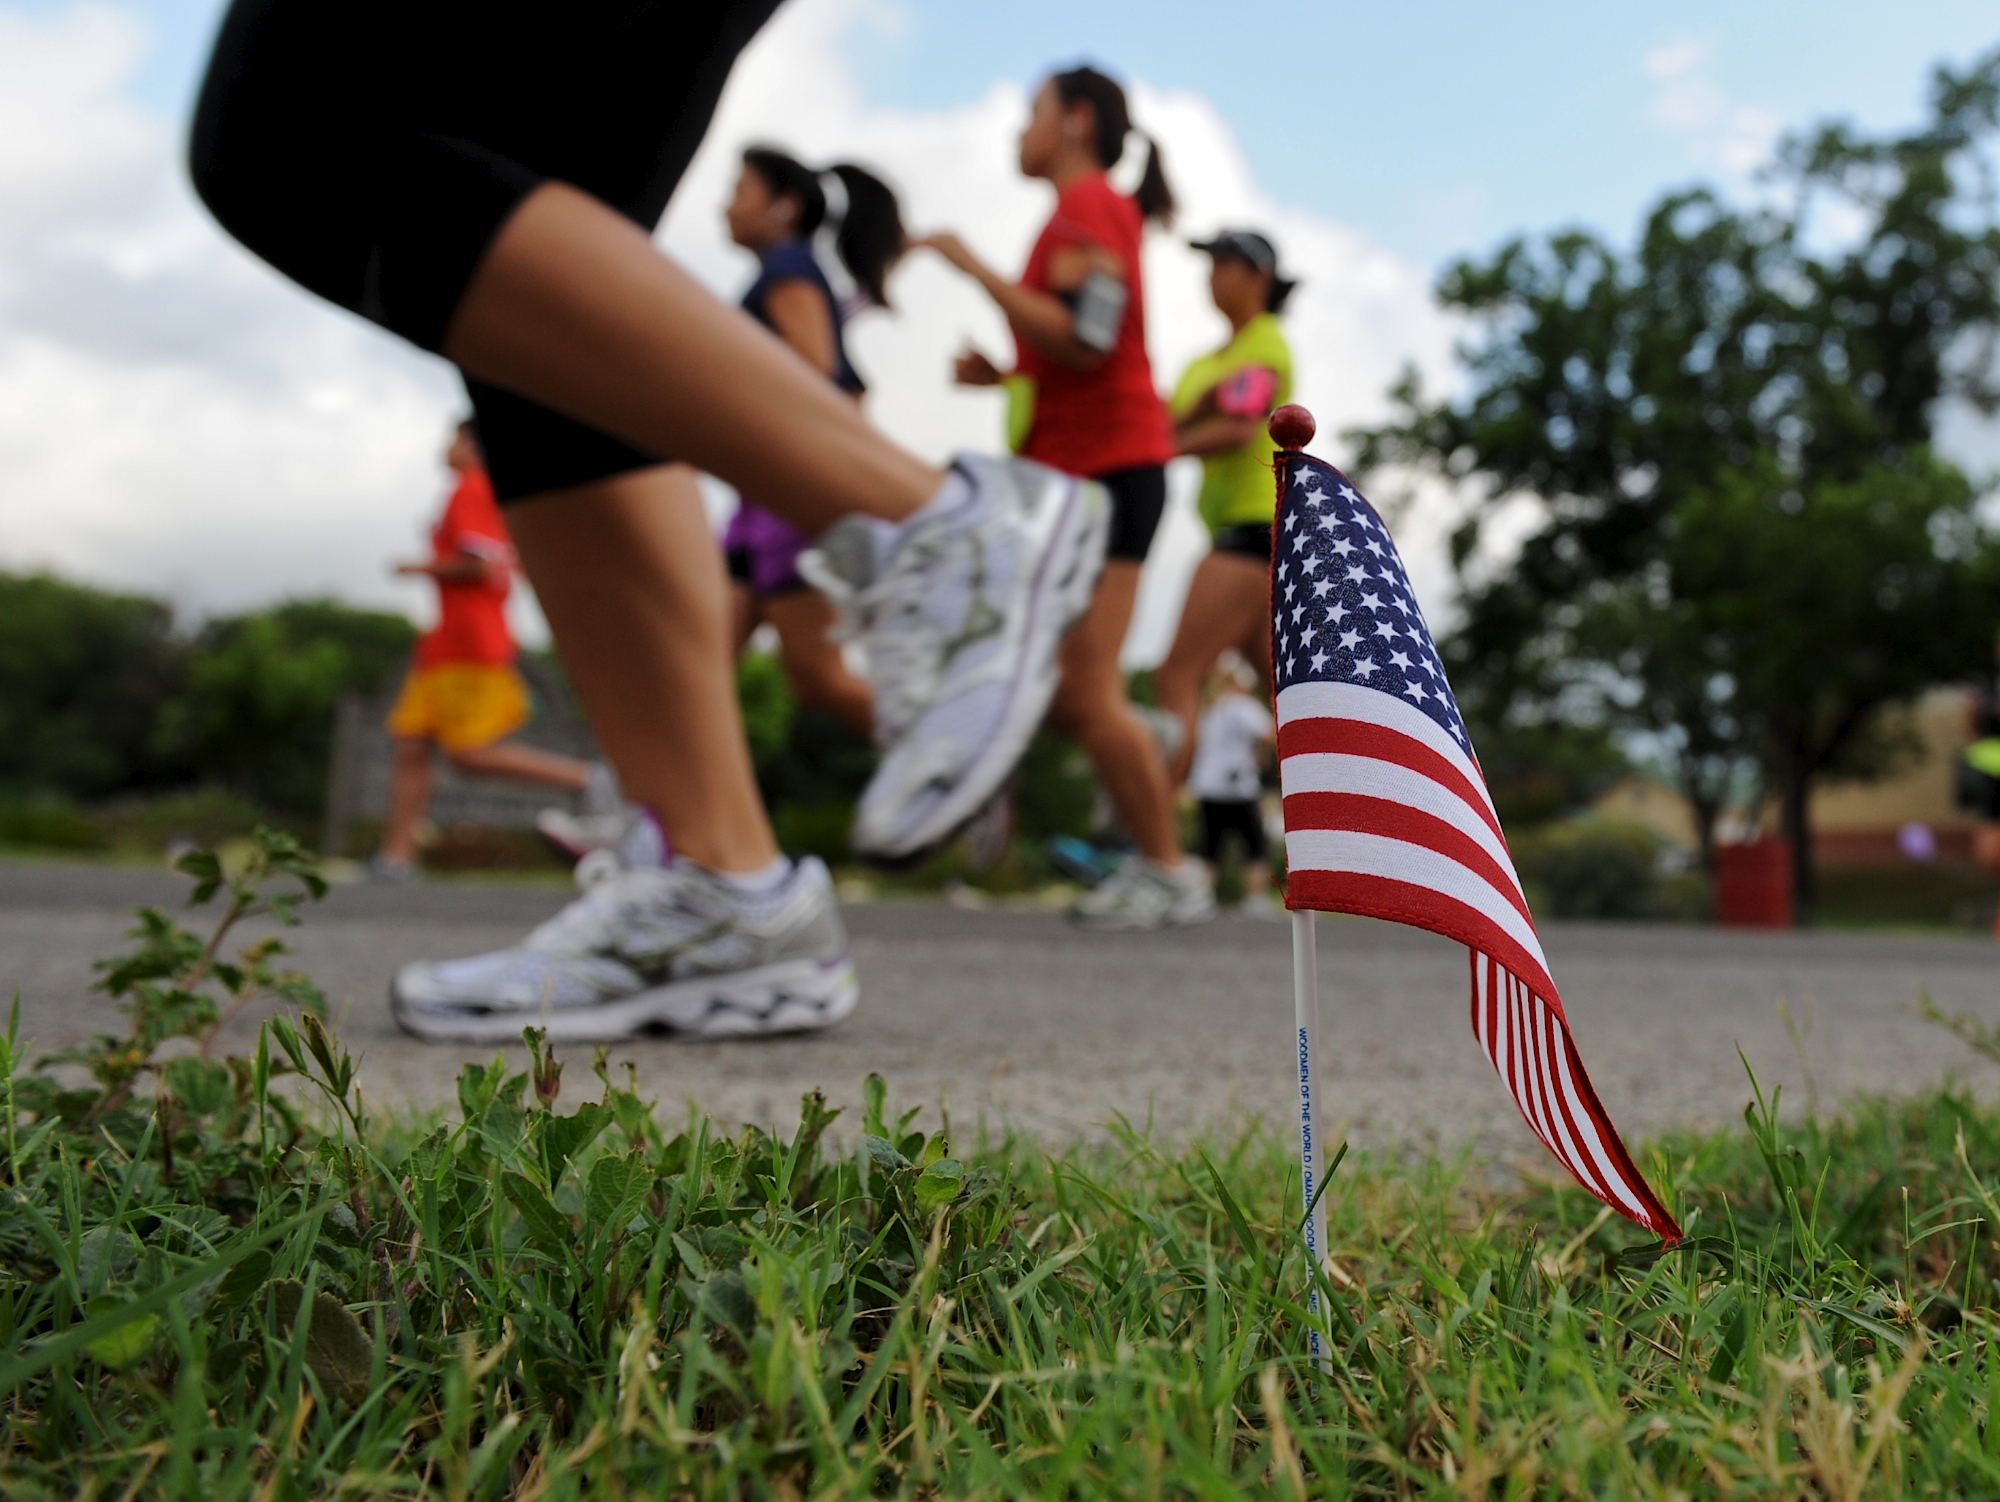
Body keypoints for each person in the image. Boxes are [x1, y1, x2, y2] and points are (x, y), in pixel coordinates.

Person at [188, 0, 1110, 1042]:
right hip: (774, 488)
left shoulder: (803, 276)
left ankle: (936, 527)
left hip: (805, 496)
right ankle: (717, 880)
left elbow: (827, 367)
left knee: (291, 139)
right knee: (532, 311)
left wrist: (819, 477)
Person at [915, 64, 1214, 930]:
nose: (1020, 132)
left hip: (1113, 473)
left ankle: (1167, 865)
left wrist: (973, 265)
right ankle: (1139, 813)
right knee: (1055, 677)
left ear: (1076, 121)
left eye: (1032, 114)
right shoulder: (1081, 214)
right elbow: (1077, 352)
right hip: (1085, 474)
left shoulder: (1089, 209)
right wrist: (1005, 374)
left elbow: (1087, 339)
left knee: (1081, 690)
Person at [373, 420, 621, 881]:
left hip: (470, 643)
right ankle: (396, 857)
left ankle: (588, 779)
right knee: (411, 746)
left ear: (473, 444)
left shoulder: (471, 488)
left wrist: (418, 567)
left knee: (469, 754)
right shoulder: (495, 495)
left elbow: (480, 567)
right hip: (446, 644)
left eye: (453, 438)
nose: (445, 446)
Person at [720, 146, 902, 737]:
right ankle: (650, 821)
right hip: (757, 498)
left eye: (740, 189)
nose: (726, 205)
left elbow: (815, 378)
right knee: (701, 664)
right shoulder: (786, 269)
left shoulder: (789, 269)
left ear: (784, 207)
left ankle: (954, 754)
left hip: (787, 496)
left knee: (817, 680)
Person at [1151, 230, 1296, 783]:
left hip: (1252, 530)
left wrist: (1170, 441)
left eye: (1224, 264)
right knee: (1293, 705)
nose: (1211, 274)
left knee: (1176, 676)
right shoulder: (1204, 363)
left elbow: (1237, 427)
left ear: (1260, 277)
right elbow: (1164, 423)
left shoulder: (1267, 342)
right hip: (1239, 534)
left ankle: (1157, 844)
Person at [1186, 654, 1278, 917]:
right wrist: (1260, 752)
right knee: (1256, 845)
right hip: (1238, 787)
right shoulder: (1243, 706)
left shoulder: (1210, 708)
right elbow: (1267, 733)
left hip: (1208, 784)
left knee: (1209, 847)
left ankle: (1202, 900)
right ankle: (1254, 900)